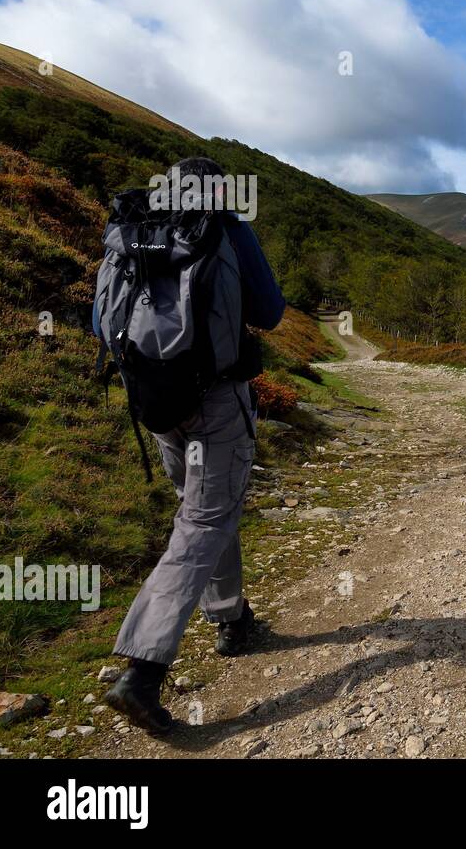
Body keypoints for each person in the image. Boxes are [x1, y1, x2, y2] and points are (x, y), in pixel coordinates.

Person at [96, 157, 285, 734]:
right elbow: (271, 313)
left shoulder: (133, 230)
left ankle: (232, 619)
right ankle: (142, 672)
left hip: (157, 402)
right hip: (217, 402)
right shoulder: (225, 229)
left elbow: (101, 321)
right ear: (218, 191)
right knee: (204, 520)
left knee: (203, 511)